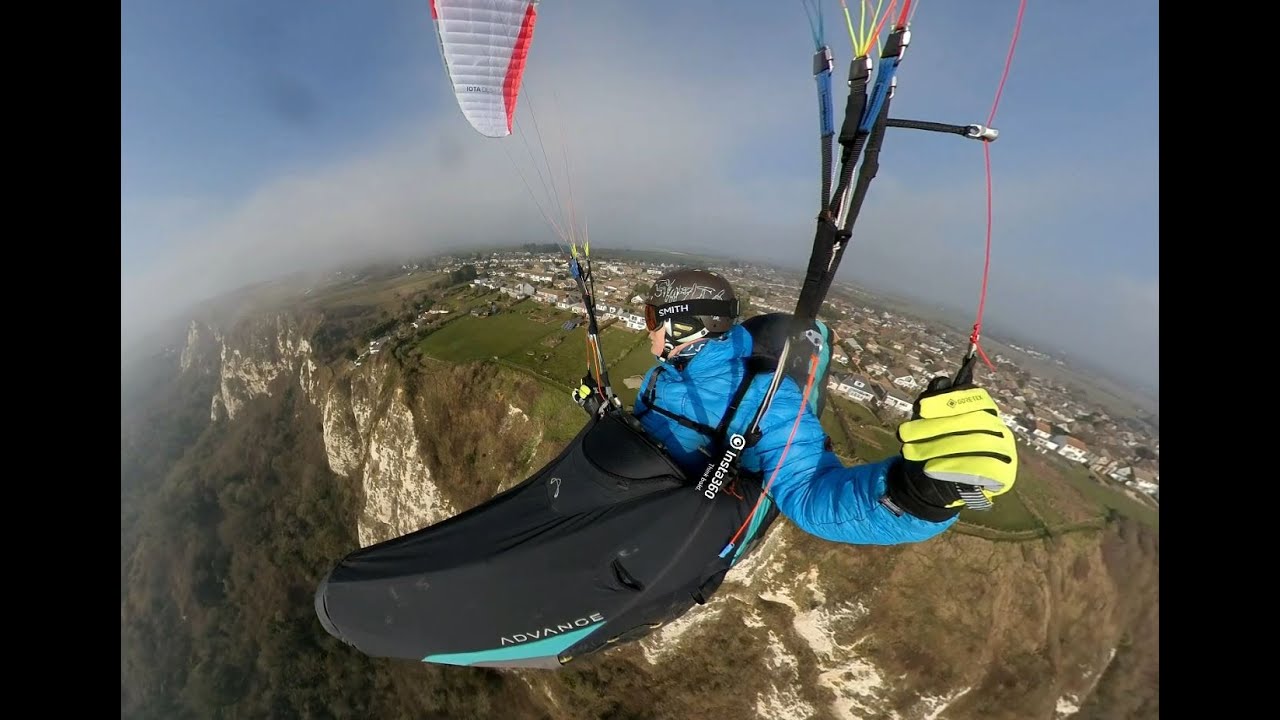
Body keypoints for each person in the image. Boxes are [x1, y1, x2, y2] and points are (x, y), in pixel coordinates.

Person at [618, 268, 1019, 545]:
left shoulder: (764, 399)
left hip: (680, 518)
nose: (647, 325)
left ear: (682, 326)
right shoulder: (668, 373)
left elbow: (812, 493)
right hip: (636, 490)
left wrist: (918, 497)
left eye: (653, 316)